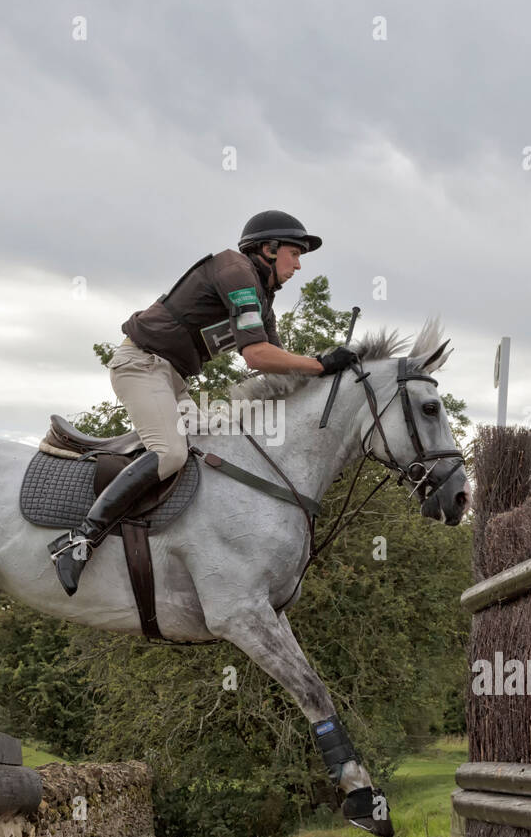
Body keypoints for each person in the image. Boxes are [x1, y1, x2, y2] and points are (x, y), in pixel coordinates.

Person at [48, 210, 359, 595]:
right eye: (295, 254)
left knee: (211, 445)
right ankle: (80, 540)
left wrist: (331, 372)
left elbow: (281, 371)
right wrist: (318, 364)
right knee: (170, 454)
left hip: (172, 378)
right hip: (140, 366)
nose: (298, 265)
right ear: (269, 248)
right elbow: (257, 356)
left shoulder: (262, 298)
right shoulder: (237, 273)